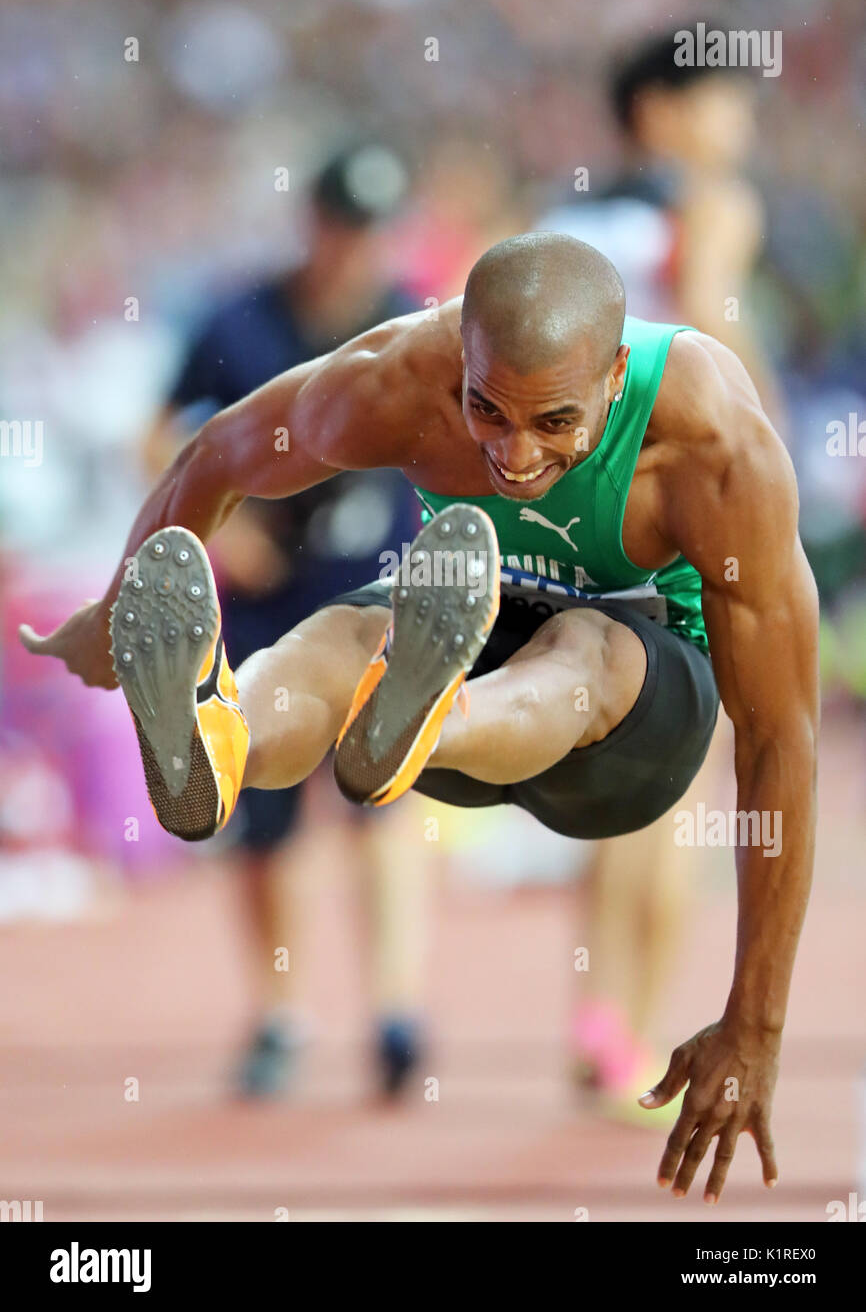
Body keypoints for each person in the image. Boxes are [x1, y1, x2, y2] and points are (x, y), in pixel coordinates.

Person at [22, 232, 818, 1204]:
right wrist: (118, 612)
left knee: (586, 649)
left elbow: (781, 741)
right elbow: (217, 450)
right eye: (487, 409)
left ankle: (420, 715)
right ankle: (220, 739)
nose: (516, 454)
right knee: (351, 634)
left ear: (614, 376)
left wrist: (753, 1024)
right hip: (447, 681)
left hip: (629, 734)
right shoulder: (400, 377)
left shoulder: (714, 444)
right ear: (460, 361)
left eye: (555, 422)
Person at [535, 24, 788, 1119]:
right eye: (726, 103)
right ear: (661, 114)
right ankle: (630, 1016)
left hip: (581, 521)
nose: (741, 126)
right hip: (692, 513)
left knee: (606, 759)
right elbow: (720, 336)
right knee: (689, 779)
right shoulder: (712, 208)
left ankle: (598, 1012)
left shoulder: (561, 227)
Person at [142, 140, 431, 1098]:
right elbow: (161, 429)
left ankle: (394, 1013)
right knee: (262, 822)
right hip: (263, 608)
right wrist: (219, 533)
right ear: (313, 223)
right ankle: (279, 1016)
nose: (358, 249)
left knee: (384, 803)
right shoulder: (241, 320)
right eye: (344, 227)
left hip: (374, 606)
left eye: (374, 231)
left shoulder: (416, 324)